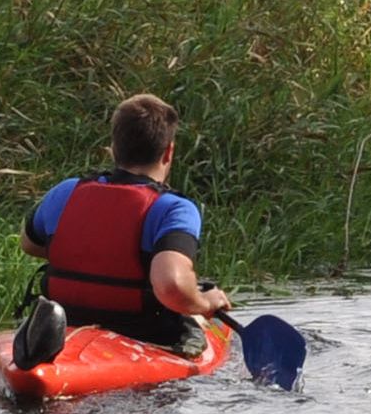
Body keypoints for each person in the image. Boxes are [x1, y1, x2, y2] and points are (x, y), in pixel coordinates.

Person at [18, 93, 234, 355]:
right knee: (190, 319)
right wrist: (203, 302)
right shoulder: (175, 209)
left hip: (66, 327)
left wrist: (95, 256)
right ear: (168, 152)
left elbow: (30, 243)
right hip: (142, 333)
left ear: (114, 147)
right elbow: (172, 286)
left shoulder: (66, 192)